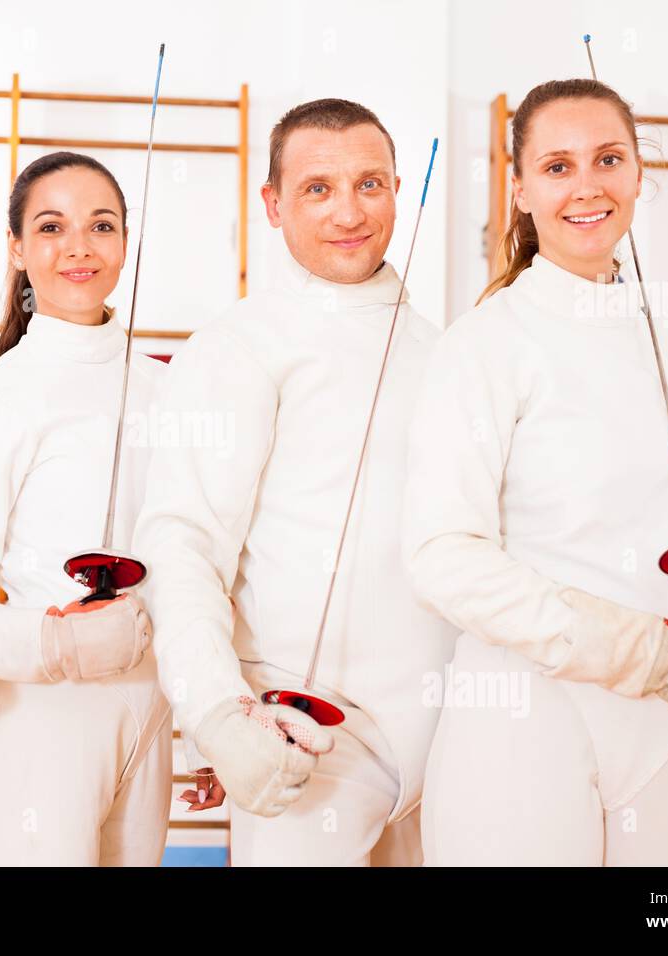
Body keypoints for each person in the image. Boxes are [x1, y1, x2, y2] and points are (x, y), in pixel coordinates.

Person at [402, 78, 668, 866]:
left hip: (667, 725)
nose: (586, 185)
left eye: (608, 159)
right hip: (524, 717)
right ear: (519, 189)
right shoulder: (484, 345)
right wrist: (644, 652)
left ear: (638, 175)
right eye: (557, 165)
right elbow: (443, 554)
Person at [134, 99, 458, 866]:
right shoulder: (237, 347)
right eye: (318, 188)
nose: (349, 211)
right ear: (274, 204)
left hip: (445, 734)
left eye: (370, 184)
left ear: (399, 190)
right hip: (307, 735)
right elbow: (181, 543)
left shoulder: (446, 352)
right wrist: (216, 713)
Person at [0, 151, 170, 866]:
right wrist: (56, 647)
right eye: (52, 227)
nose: (80, 247)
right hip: (32, 736)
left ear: (127, 241)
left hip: (149, 723)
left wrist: (215, 710)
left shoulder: (174, 394)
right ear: (18, 249)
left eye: (102, 225)